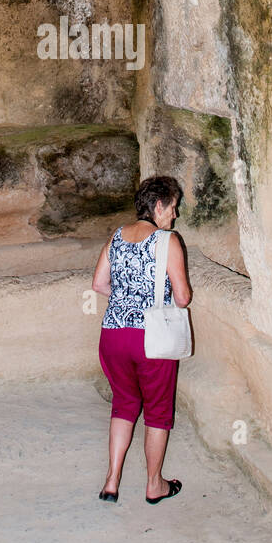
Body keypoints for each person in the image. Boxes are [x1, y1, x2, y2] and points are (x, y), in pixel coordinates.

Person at [91, 175, 192, 505]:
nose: (174, 216)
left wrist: (125, 303)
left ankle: (111, 480)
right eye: (173, 208)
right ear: (159, 205)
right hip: (151, 340)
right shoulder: (168, 241)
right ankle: (154, 484)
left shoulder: (117, 236)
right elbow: (183, 297)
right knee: (158, 412)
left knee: (124, 405)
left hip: (113, 336)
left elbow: (98, 284)